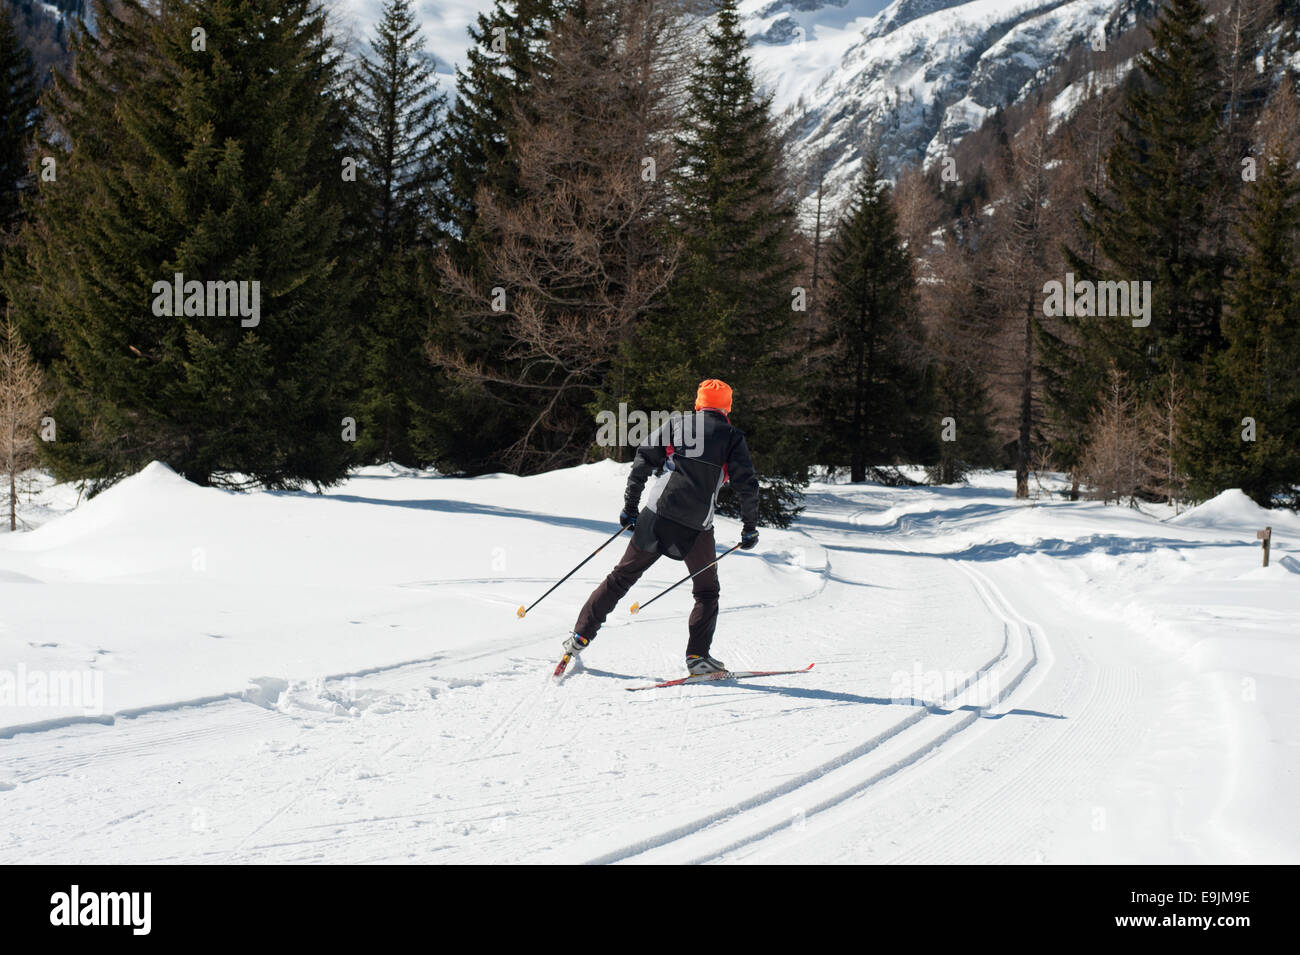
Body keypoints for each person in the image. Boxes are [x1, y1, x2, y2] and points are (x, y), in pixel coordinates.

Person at [563, 379, 760, 675]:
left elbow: (642, 460)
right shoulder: (732, 437)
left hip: (657, 513)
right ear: (727, 407)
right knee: (706, 592)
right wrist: (749, 528)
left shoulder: (678, 423)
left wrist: (630, 507)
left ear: (698, 402)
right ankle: (698, 658)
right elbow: (747, 485)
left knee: (620, 578)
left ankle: (579, 636)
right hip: (696, 526)